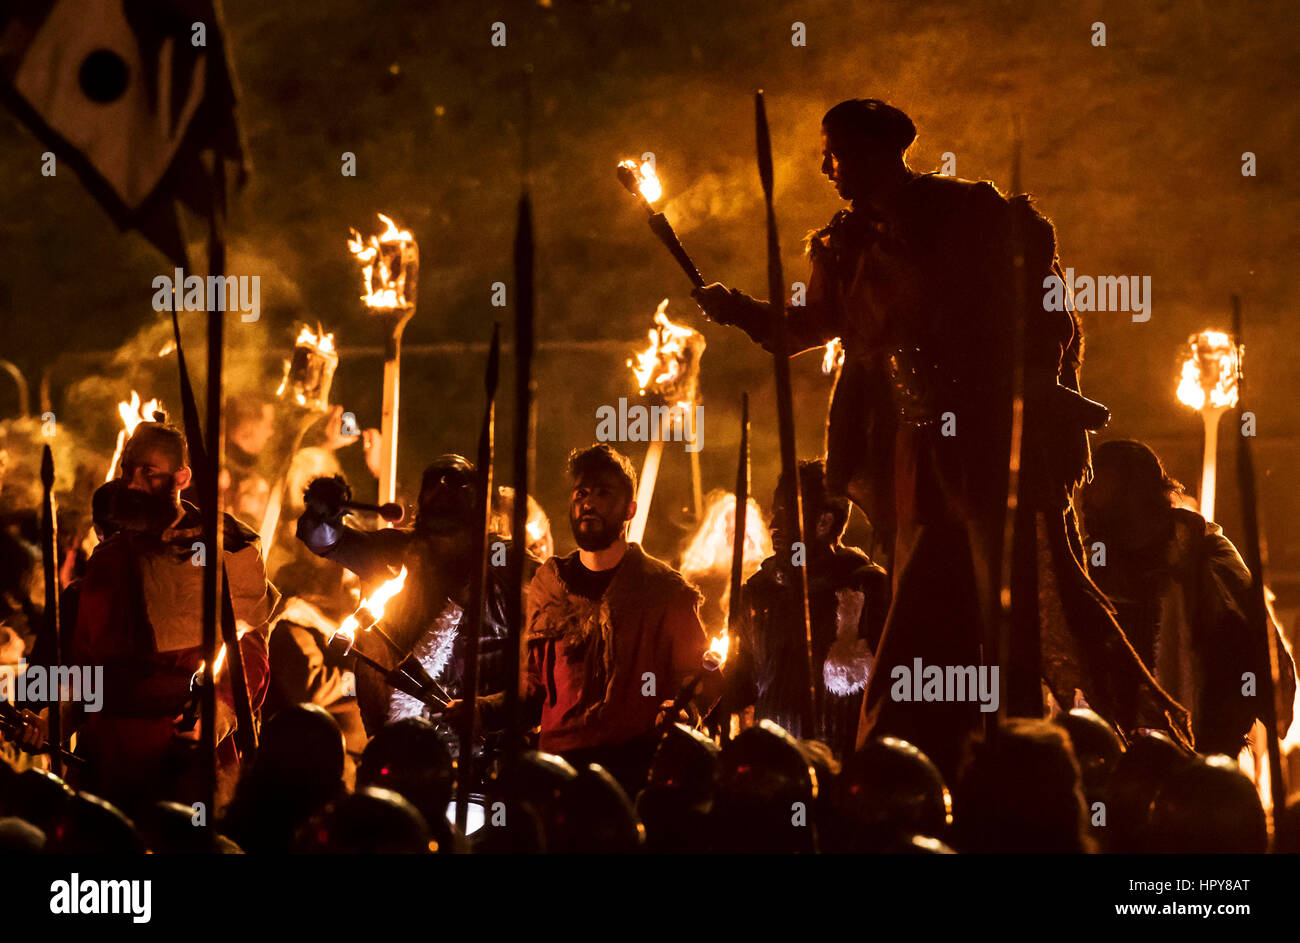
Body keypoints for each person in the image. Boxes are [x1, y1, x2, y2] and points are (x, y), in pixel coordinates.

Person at [692, 97, 1191, 777]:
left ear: (876, 150)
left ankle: (1030, 746)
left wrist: (1033, 386)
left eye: (835, 150)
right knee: (918, 602)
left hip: (985, 444)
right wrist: (738, 310)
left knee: (1007, 605)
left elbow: (1039, 310)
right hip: (911, 451)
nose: (825, 166)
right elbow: (802, 329)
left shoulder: (970, 216)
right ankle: (910, 753)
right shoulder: (845, 245)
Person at [58, 423, 276, 813]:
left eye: (148, 471)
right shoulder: (108, 560)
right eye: (127, 470)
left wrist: (210, 721)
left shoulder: (222, 550)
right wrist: (51, 719)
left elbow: (250, 656)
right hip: (110, 761)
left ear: (181, 477)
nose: (133, 483)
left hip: (186, 763)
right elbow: (85, 667)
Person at [296, 454, 533, 762]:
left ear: (480, 501)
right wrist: (322, 513)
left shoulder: (508, 565)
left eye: (457, 480)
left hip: (483, 756)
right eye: (434, 481)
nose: (444, 486)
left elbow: (541, 670)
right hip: (398, 748)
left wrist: (489, 710)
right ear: (421, 499)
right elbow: (324, 541)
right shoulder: (390, 552)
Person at [514, 444, 717, 796]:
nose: (588, 504)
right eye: (581, 493)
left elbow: (699, 676)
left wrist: (684, 710)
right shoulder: (547, 586)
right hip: (555, 773)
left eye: (603, 493)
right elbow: (533, 685)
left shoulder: (664, 591)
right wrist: (480, 708)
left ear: (629, 509)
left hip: (631, 772)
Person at [1077, 439, 1296, 757]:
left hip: (1200, 744)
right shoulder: (1093, 560)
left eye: (1100, 483)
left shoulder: (1205, 553)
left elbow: (1253, 647)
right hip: (1117, 747)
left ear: (1136, 491)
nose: (1086, 496)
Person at [728, 459, 888, 758]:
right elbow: (742, 681)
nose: (773, 525)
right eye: (774, 512)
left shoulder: (865, 589)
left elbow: (887, 694)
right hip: (772, 767)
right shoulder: (760, 591)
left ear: (824, 522)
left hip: (840, 767)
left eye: (785, 513)